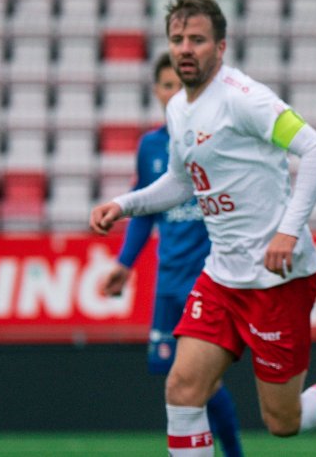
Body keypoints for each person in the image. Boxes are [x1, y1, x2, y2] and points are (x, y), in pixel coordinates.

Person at [89, 0, 316, 457]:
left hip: (276, 280)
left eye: (197, 39)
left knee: (283, 421)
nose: (185, 48)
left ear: (220, 47)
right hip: (221, 277)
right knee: (182, 390)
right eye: (177, 39)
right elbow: (181, 183)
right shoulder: (179, 108)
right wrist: (124, 205)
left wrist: (287, 231)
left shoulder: (245, 99)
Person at [100, 53, 243, 457]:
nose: (174, 92)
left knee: (196, 378)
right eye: (167, 85)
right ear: (156, 91)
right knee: (176, 373)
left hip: (208, 278)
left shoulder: (216, 139)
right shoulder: (150, 146)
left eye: (180, 85)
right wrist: (124, 264)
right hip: (169, 279)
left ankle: (231, 451)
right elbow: (146, 211)